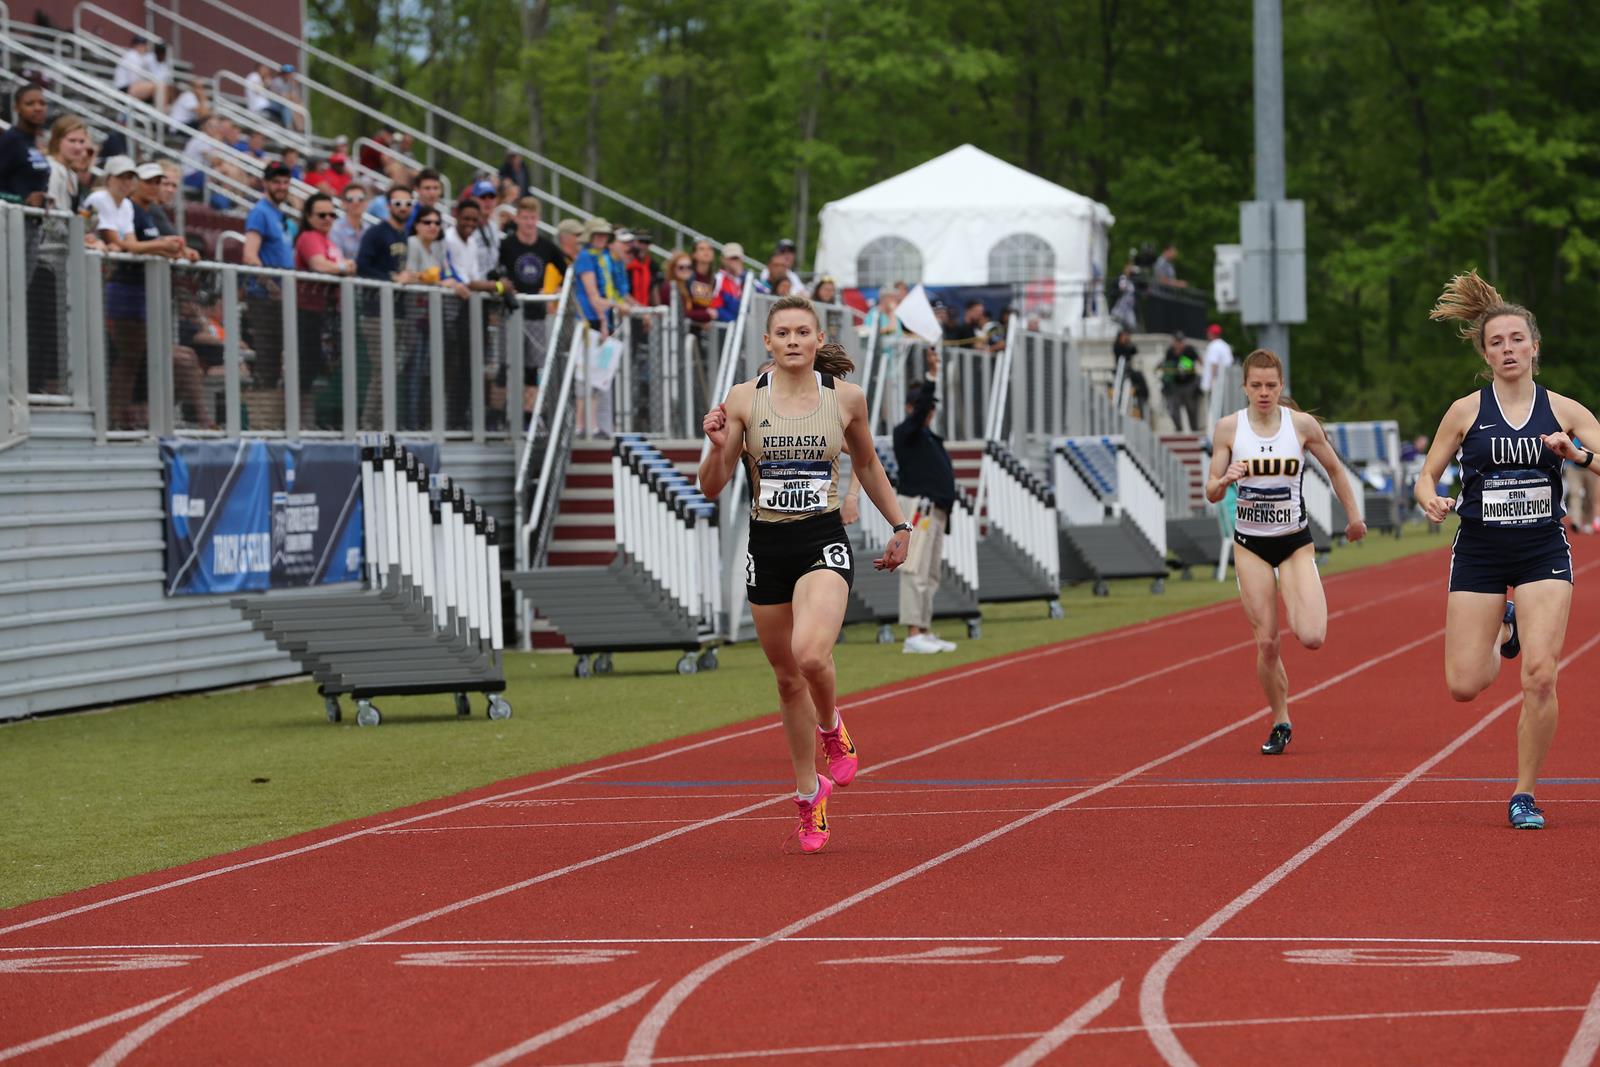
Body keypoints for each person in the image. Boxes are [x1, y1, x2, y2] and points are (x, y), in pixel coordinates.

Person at [698, 295, 911, 853]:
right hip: (767, 546)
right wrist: (717, 446)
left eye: (802, 332)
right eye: (783, 333)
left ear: (819, 340)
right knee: (787, 678)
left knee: (811, 654)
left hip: (821, 539)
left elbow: (866, 463)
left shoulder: (846, 399)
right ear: (767, 343)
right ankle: (807, 794)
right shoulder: (744, 400)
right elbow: (713, 484)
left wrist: (900, 524)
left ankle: (832, 730)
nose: (793, 341)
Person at [1415, 271, 1600, 829]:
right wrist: (1431, 498)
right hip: (1479, 551)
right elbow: (1426, 476)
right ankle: (1507, 625)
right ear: (1485, 352)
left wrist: (1578, 454)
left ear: (1534, 346)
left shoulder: (1565, 410)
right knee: (1464, 686)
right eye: (1496, 342)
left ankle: (1523, 793)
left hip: (1543, 548)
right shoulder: (1464, 411)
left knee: (1541, 675)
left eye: (1516, 339)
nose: (1508, 348)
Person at [1206, 349, 1367, 756]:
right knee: (1267, 643)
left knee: (1312, 636)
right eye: (1256, 386)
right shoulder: (1229, 429)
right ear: (1244, 387)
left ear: (1281, 387)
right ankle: (1280, 719)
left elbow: (1334, 468)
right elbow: (1210, 491)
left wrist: (1354, 518)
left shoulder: (1301, 426)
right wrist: (1225, 479)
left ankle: (1283, 707)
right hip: (1251, 545)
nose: (1264, 393)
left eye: (1271, 386)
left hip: (1293, 541)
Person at [892, 346, 959, 654]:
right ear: (912, 408)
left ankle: (925, 628)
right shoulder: (906, 432)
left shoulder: (927, 436)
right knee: (915, 569)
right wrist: (932, 375)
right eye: (925, 407)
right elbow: (919, 414)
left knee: (930, 572)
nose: (930, 412)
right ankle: (913, 632)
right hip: (919, 506)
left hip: (935, 508)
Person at [498, 196, 567, 417]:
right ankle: (504, 412)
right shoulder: (507, 245)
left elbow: (567, 271)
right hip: (512, 312)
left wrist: (555, 291)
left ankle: (529, 413)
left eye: (533, 218)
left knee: (533, 366)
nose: (529, 223)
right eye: (525, 218)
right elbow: (495, 272)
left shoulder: (546, 246)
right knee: (509, 364)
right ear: (517, 218)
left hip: (536, 314)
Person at [0, 84, 50, 208]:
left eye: (42, 103)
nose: (38, 108)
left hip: (32, 222)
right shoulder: (10, 140)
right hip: (10, 221)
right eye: (30, 104)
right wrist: (22, 200)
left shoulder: (34, 143)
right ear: (16, 108)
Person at [356, 184, 416, 283]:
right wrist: (392, 278)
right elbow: (361, 268)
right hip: (375, 296)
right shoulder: (375, 233)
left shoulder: (405, 234)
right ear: (388, 206)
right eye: (397, 203)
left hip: (398, 296)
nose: (403, 208)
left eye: (408, 204)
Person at [1160, 331, 1202, 431]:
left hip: (1189, 384)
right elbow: (1166, 364)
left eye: (1180, 341)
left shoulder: (1189, 350)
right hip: (1175, 385)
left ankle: (1194, 429)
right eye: (1176, 341)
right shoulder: (1170, 351)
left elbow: (1199, 361)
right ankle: (1178, 428)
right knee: (1173, 409)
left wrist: (1186, 365)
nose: (1178, 344)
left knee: (1191, 409)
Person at [113, 36, 163, 109]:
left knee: (162, 88)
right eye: (143, 45)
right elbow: (134, 79)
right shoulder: (131, 56)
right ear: (137, 46)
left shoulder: (143, 57)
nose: (145, 47)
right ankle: (161, 113)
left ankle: (160, 112)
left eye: (145, 45)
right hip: (124, 88)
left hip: (133, 86)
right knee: (158, 87)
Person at [1112, 328, 1150, 419]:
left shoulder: (1128, 345)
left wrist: (1128, 342)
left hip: (1129, 371)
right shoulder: (1117, 346)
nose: (1125, 338)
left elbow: (1134, 351)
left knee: (1140, 378)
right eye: (1123, 336)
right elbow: (1122, 355)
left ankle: (1144, 397)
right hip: (1121, 371)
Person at [330, 183, 369, 261]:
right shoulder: (335, 229)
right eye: (350, 199)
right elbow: (336, 259)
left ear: (366, 203)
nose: (356, 203)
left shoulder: (369, 229)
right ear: (343, 204)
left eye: (360, 199)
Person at [714, 242, 747, 321]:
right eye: (732, 258)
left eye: (737, 258)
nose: (735, 262)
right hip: (725, 328)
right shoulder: (718, 279)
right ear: (723, 260)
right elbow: (715, 307)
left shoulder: (747, 279)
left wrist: (743, 277)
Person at [1201, 322, 1235, 396]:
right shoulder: (1225, 345)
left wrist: (1213, 383)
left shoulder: (1213, 346)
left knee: (1214, 406)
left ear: (1212, 333)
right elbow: (1231, 363)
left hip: (1215, 384)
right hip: (1226, 383)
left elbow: (1214, 364)